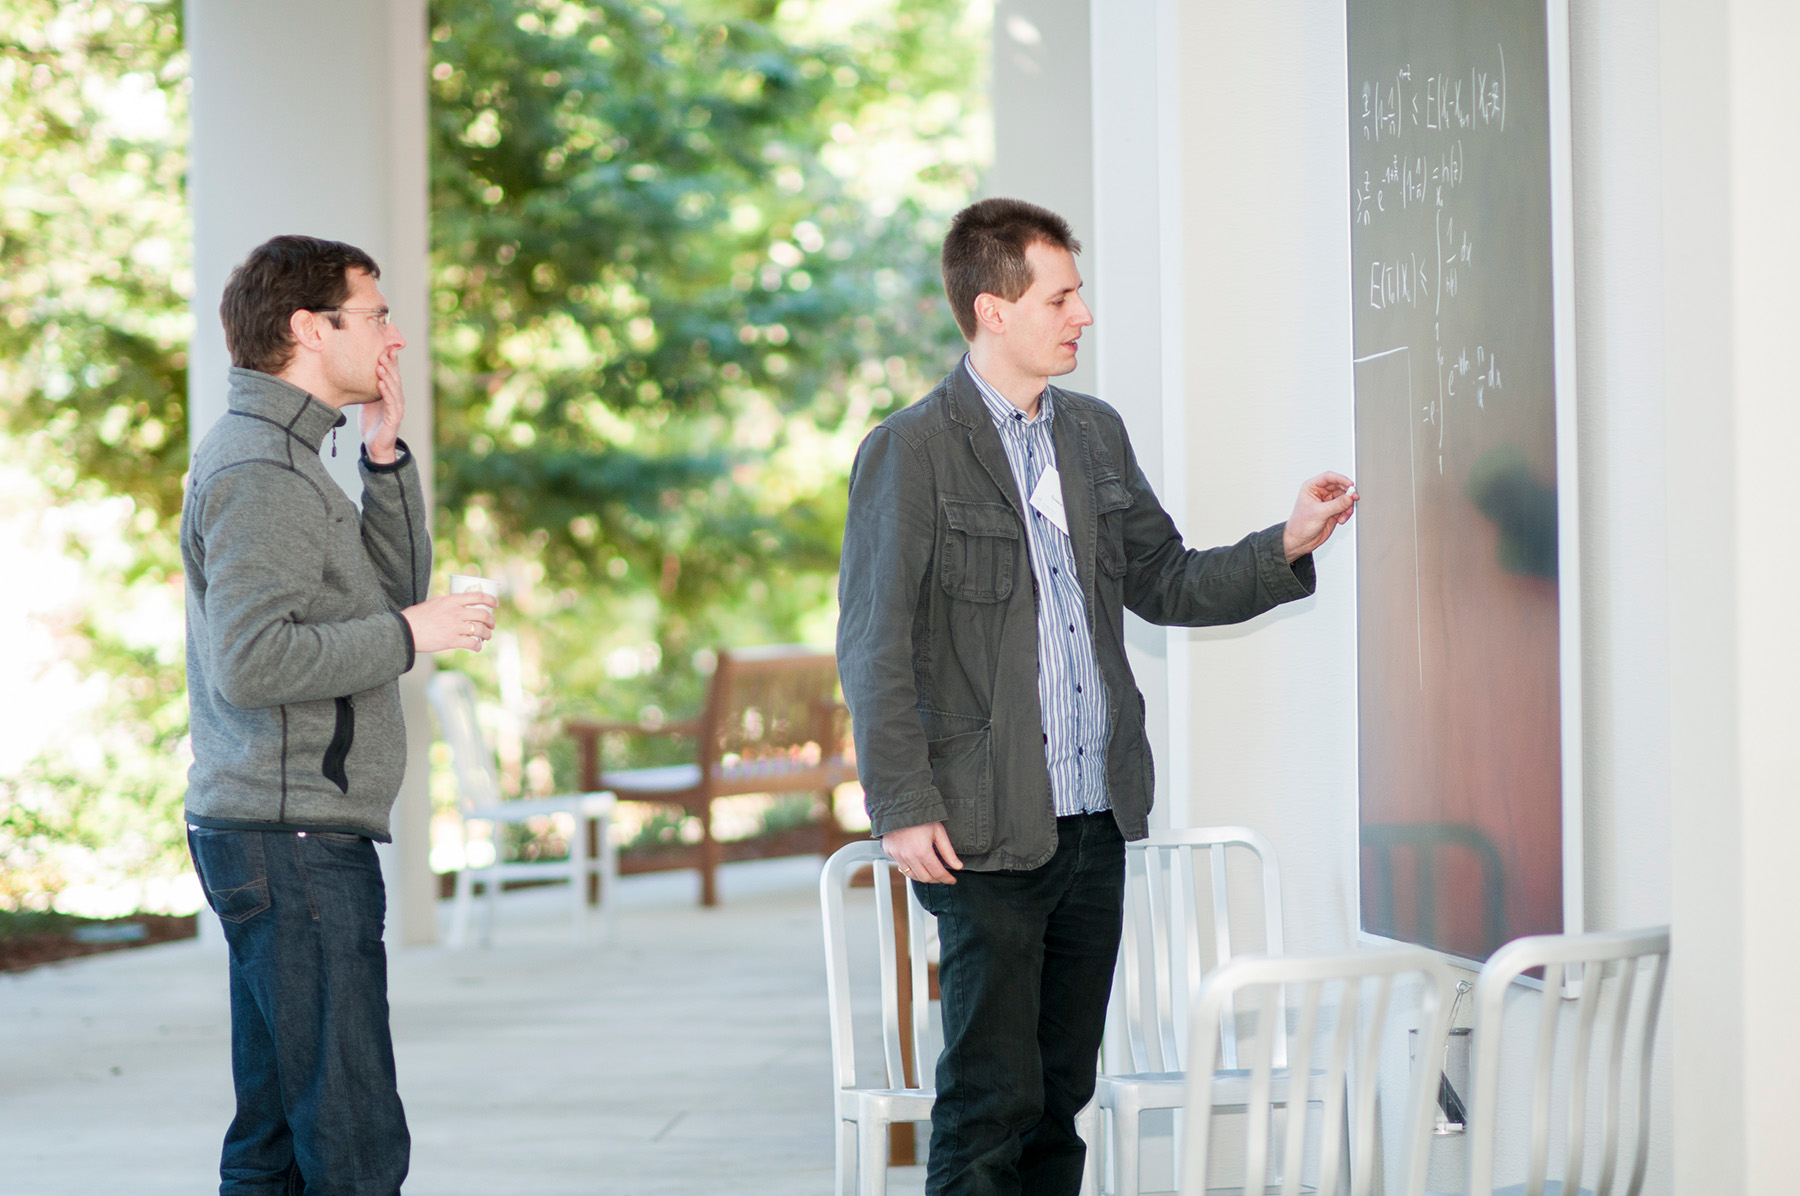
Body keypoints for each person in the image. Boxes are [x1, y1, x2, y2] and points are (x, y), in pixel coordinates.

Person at [835, 198, 1356, 1196]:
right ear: (993, 309)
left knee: (1060, 1096)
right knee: (991, 1099)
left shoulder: (1094, 436)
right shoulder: (912, 449)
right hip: (982, 831)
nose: (1082, 314)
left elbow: (1165, 579)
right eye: (1061, 295)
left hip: (1094, 822)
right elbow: (874, 642)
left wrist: (1286, 541)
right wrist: (901, 802)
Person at [181, 235, 496, 1195]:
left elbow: (378, 597)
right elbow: (253, 659)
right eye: (376, 315)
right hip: (293, 840)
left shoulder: (292, 457)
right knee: (351, 1136)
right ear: (308, 328)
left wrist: (384, 458)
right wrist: (412, 633)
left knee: (275, 1137)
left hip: (287, 833)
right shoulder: (261, 473)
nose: (393, 338)